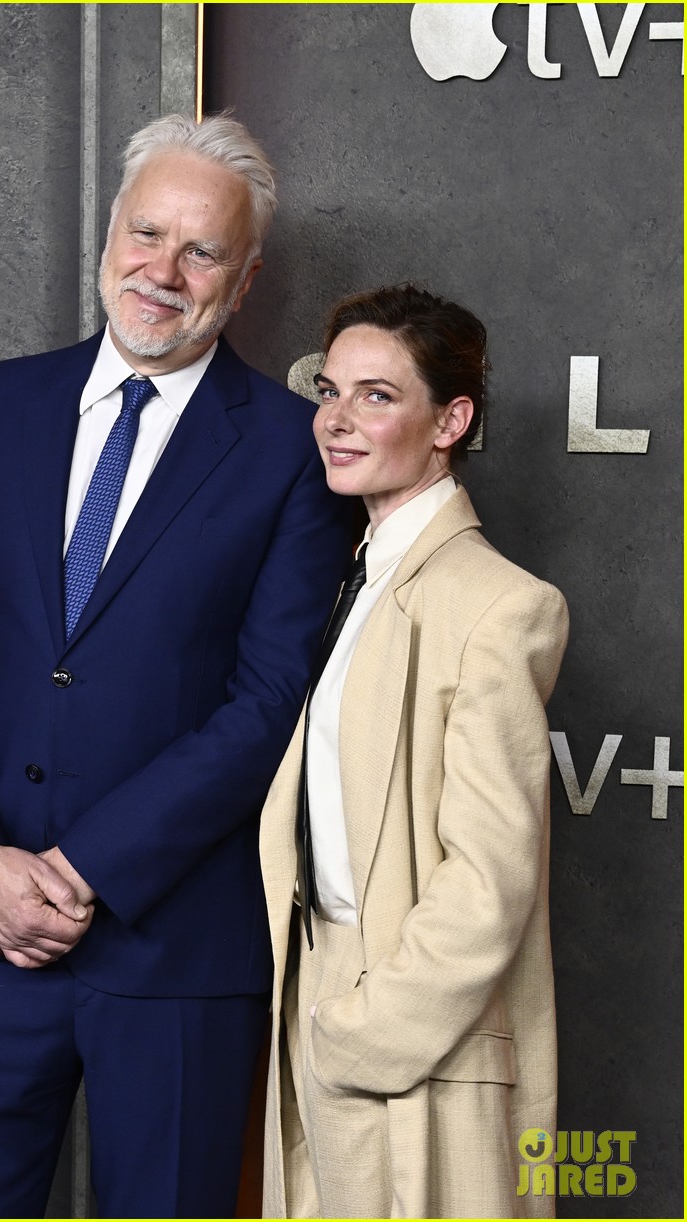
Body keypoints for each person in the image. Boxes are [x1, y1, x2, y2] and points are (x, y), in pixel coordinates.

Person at [0, 112, 351, 1219]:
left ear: (244, 281)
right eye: (148, 234)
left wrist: (86, 868)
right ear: (108, 237)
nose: (163, 272)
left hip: (177, 952)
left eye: (202, 252)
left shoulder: (291, 451)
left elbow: (268, 697)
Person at [259, 284, 569, 1219]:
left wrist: (364, 1032)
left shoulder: (498, 604)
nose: (337, 421)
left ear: (452, 419)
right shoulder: (356, 574)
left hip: (413, 1033)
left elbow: (488, 881)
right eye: (329, 392)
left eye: (376, 396)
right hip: (317, 990)